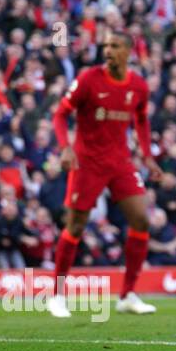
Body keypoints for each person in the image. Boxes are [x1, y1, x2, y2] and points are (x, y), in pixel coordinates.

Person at [48, 30, 162, 318]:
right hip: (87, 162)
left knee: (141, 220)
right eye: (106, 45)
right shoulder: (88, 78)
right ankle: (57, 295)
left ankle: (127, 295)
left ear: (128, 52)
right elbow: (60, 114)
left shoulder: (138, 85)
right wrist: (65, 148)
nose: (108, 50)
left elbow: (142, 119)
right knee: (75, 225)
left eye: (115, 46)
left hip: (120, 161)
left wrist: (147, 157)